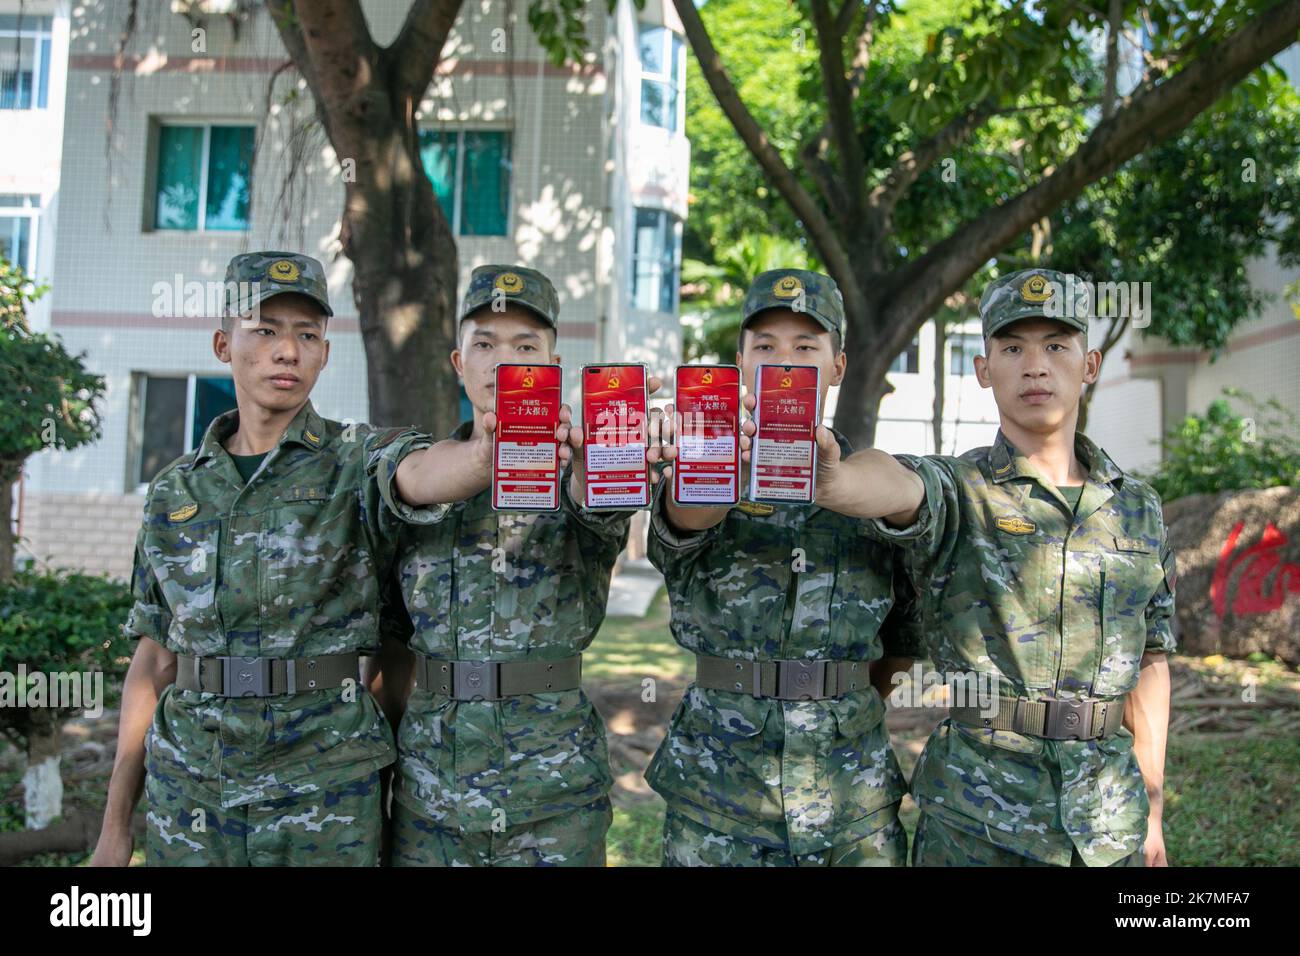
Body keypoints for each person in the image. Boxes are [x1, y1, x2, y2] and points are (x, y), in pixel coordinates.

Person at [818, 268, 1175, 866]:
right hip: (977, 823)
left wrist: (1154, 808)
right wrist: (836, 477)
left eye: (1056, 346)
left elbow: (1152, 658)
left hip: (1108, 821)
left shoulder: (1138, 507)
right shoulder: (961, 490)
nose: (1035, 366)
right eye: (1012, 348)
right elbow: (895, 480)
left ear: (1089, 365)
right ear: (985, 371)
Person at [92, 252, 414, 866]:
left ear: (324, 352)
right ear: (223, 343)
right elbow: (154, 659)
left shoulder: (359, 463)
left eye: (306, 335)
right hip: (191, 794)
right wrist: (115, 827)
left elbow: (422, 475)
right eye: (264, 330)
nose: (286, 351)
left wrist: (486, 449)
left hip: (326, 795)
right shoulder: (174, 492)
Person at [365, 264, 660, 866]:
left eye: (526, 346)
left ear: (552, 365)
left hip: (553, 796)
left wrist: (604, 454)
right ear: (458, 362)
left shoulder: (583, 468)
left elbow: (597, 503)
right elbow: (390, 650)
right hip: (432, 795)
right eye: (485, 345)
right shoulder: (415, 473)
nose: (505, 363)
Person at [643, 268, 917, 866]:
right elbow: (686, 519)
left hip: (850, 800)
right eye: (764, 347)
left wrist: (843, 706)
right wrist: (715, 455)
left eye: (805, 348)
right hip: (719, 794)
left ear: (837, 366)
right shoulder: (701, 469)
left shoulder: (872, 485)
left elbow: (901, 641)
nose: (783, 364)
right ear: (740, 362)